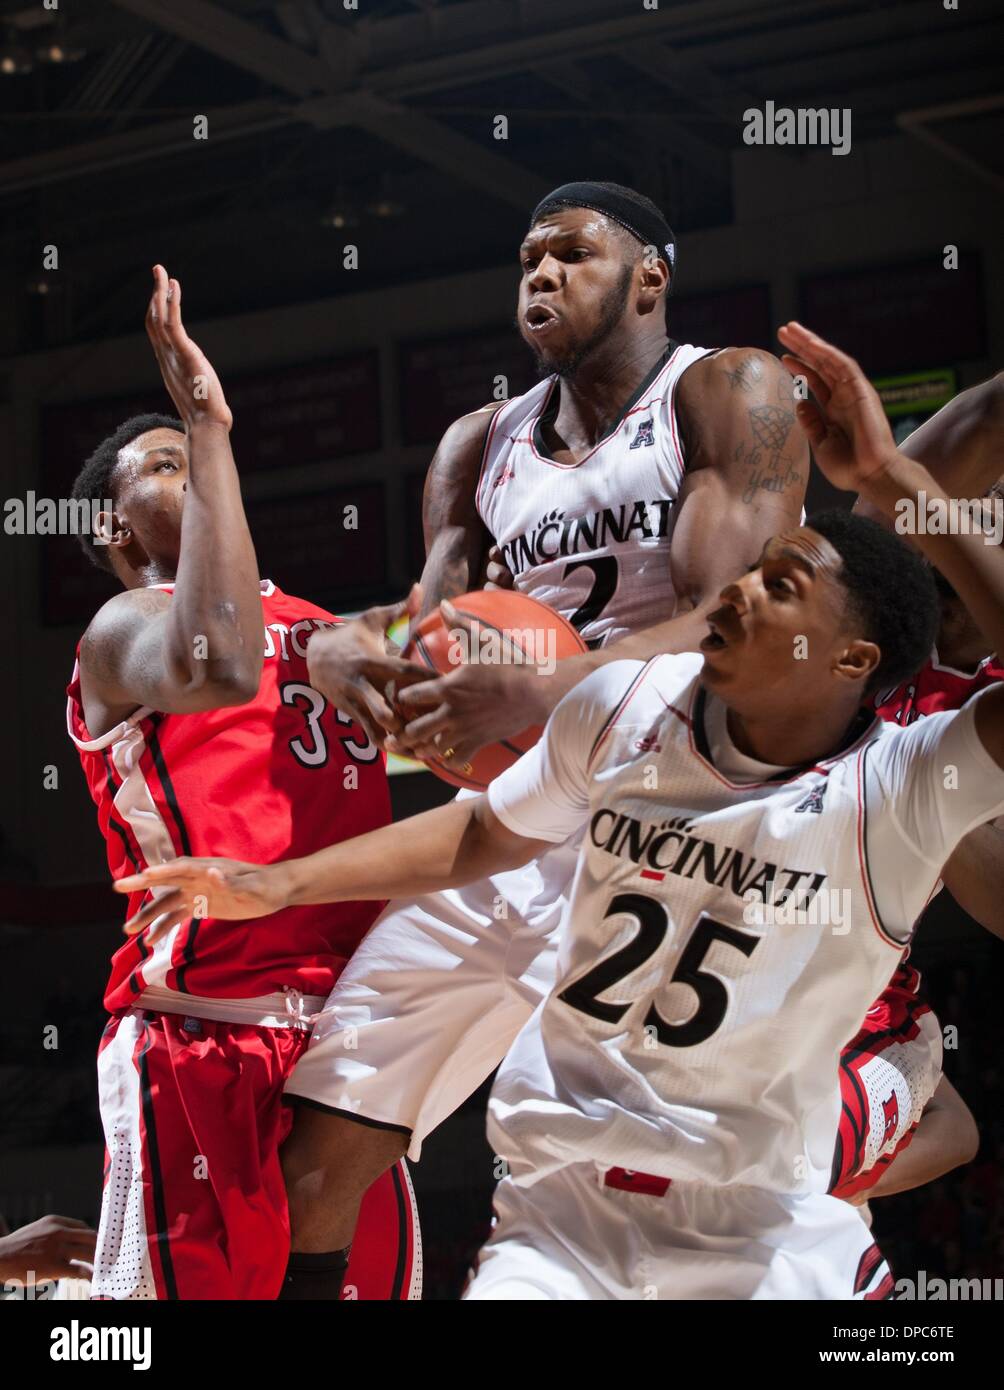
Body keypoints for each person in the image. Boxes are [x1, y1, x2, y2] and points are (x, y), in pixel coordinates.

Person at [114, 323, 1004, 1298]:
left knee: (922, 1116)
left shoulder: (893, 786)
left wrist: (883, 470)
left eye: (778, 585)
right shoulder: (618, 708)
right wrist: (270, 880)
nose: (737, 590)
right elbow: (475, 831)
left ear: (848, 661)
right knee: (321, 1163)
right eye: (750, 571)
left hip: (758, 1238)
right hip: (555, 1233)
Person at [279, 179, 810, 1281]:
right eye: (526, 257)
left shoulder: (725, 387)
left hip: (677, 815)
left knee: (659, 1182)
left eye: (571, 251)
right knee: (317, 1148)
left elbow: (736, 616)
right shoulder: (480, 443)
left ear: (649, 277)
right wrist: (344, 647)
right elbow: (427, 628)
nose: (541, 272)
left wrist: (552, 687)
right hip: (514, 810)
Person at [66, 268, 419, 1300]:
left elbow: (468, 739)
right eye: (163, 465)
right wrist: (209, 424)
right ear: (112, 529)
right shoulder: (123, 633)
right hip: (201, 1029)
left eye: (193, 457)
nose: (188, 467)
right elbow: (220, 660)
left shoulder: (330, 628)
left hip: (351, 1044)